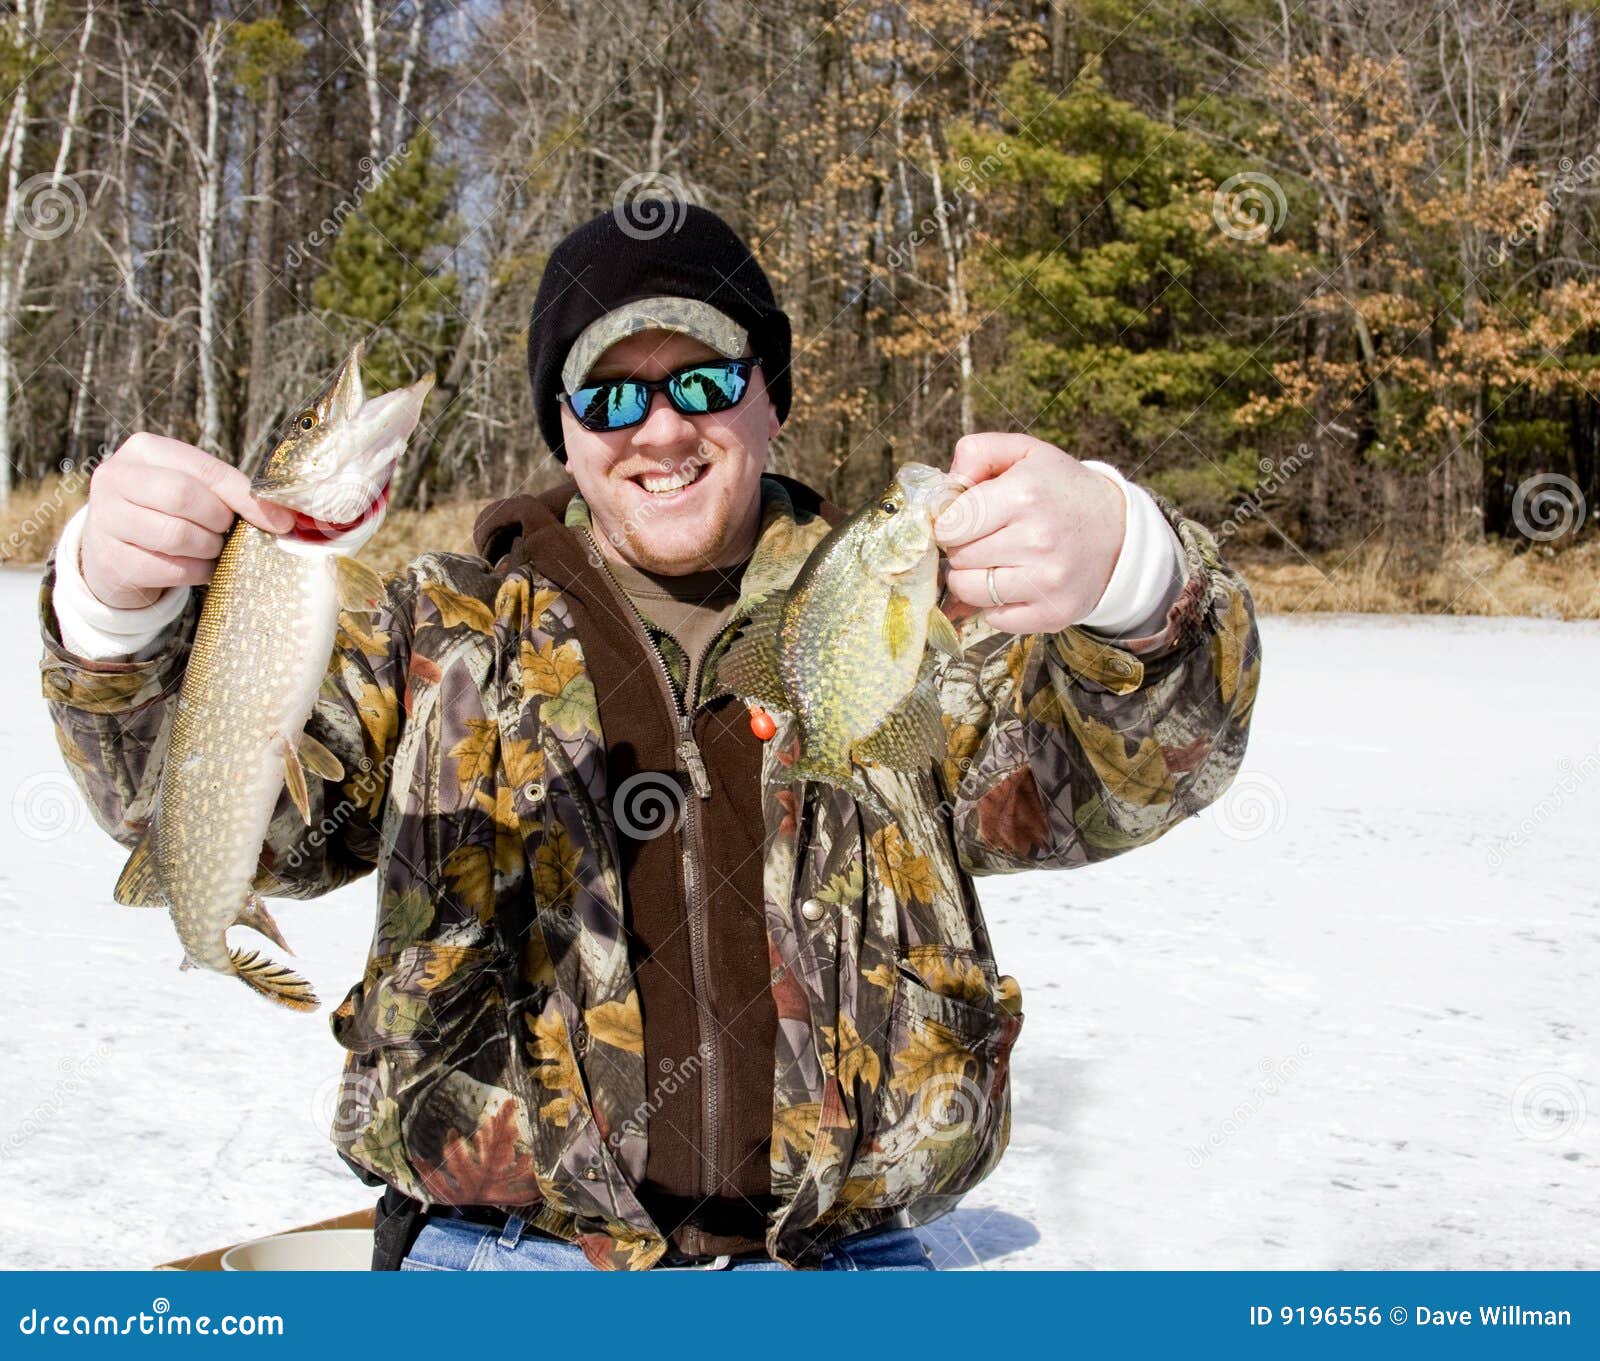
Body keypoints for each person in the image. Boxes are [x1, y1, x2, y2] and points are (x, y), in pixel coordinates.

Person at [38, 203, 1262, 1271]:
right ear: (562, 429)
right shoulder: (439, 625)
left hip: (846, 1257)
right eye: (614, 393)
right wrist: (115, 614)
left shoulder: (899, 604)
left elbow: (1126, 773)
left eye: (705, 381)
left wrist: (1130, 573)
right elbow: (223, 821)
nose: (661, 428)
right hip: (504, 1253)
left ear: (771, 396)